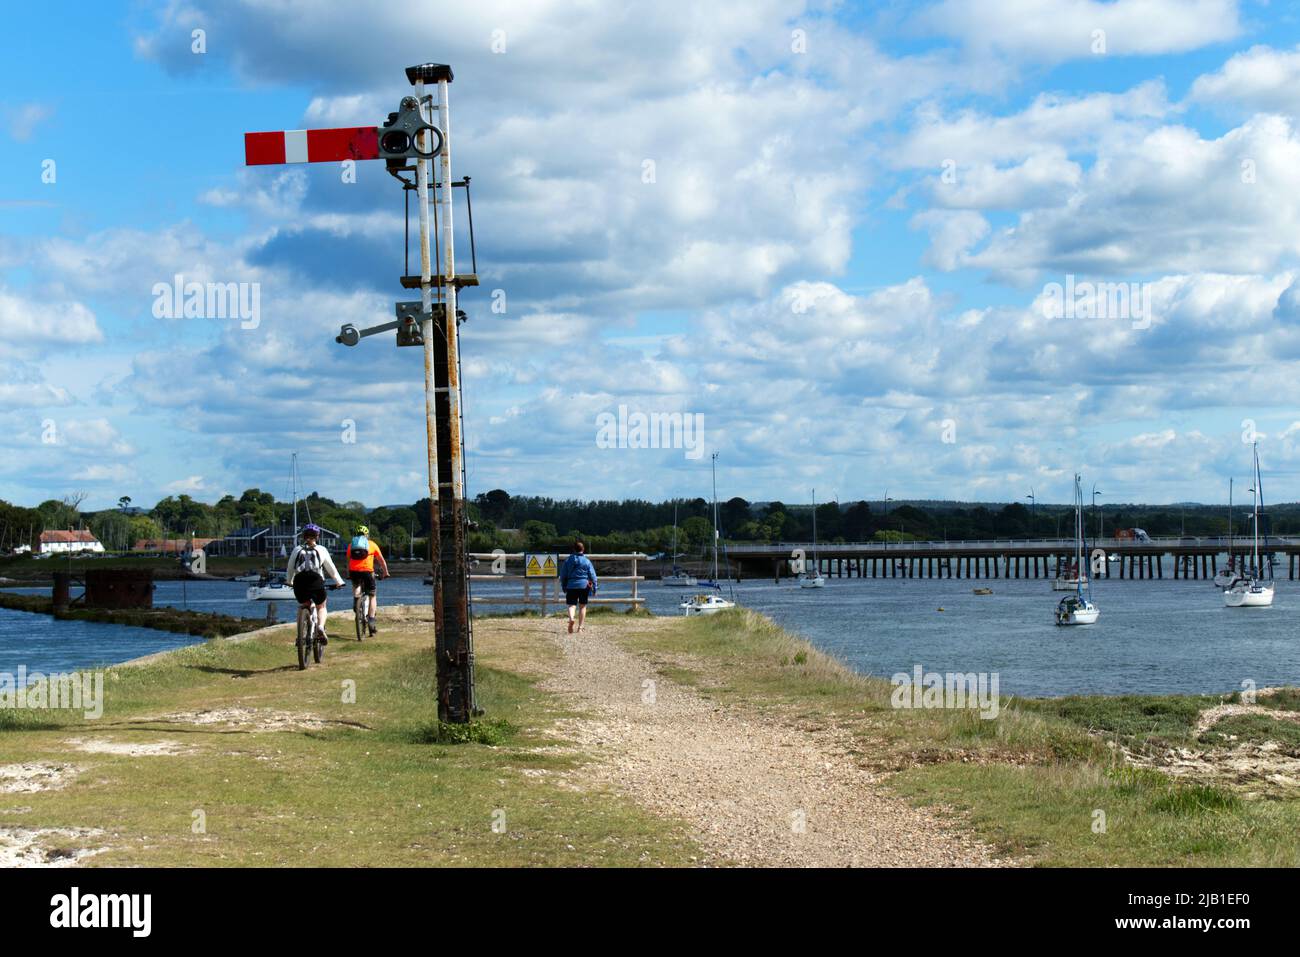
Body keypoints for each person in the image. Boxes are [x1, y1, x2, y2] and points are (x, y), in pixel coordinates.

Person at [286, 524, 345, 642]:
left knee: (303, 605)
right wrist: (339, 582)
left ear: (303, 536)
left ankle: (300, 634)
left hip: (300, 582)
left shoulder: (297, 549)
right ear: (317, 536)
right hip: (316, 581)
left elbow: (290, 567)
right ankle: (320, 627)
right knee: (321, 606)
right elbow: (331, 568)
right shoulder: (321, 550)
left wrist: (289, 581)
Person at [346, 524, 389, 637]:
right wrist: (386, 573)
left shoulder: (351, 545)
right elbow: (381, 561)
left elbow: (349, 560)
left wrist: (348, 573)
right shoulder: (372, 544)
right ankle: (371, 619)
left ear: (356, 535)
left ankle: (356, 601)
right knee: (372, 595)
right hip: (367, 572)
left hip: (354, 571)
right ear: (367, 535)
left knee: (356, 586)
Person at [559, 540, 598, 634]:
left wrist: (564, 586)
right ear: (583, 549)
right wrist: (595, 588)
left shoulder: (568, 560)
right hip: (584, 585)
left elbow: (563, 575)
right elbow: (593, 576)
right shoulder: (586, 561)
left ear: (573, 549)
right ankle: (580, 628)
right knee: (582, 606)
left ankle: (571, 618)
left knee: (571, 605)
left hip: (571, 585)